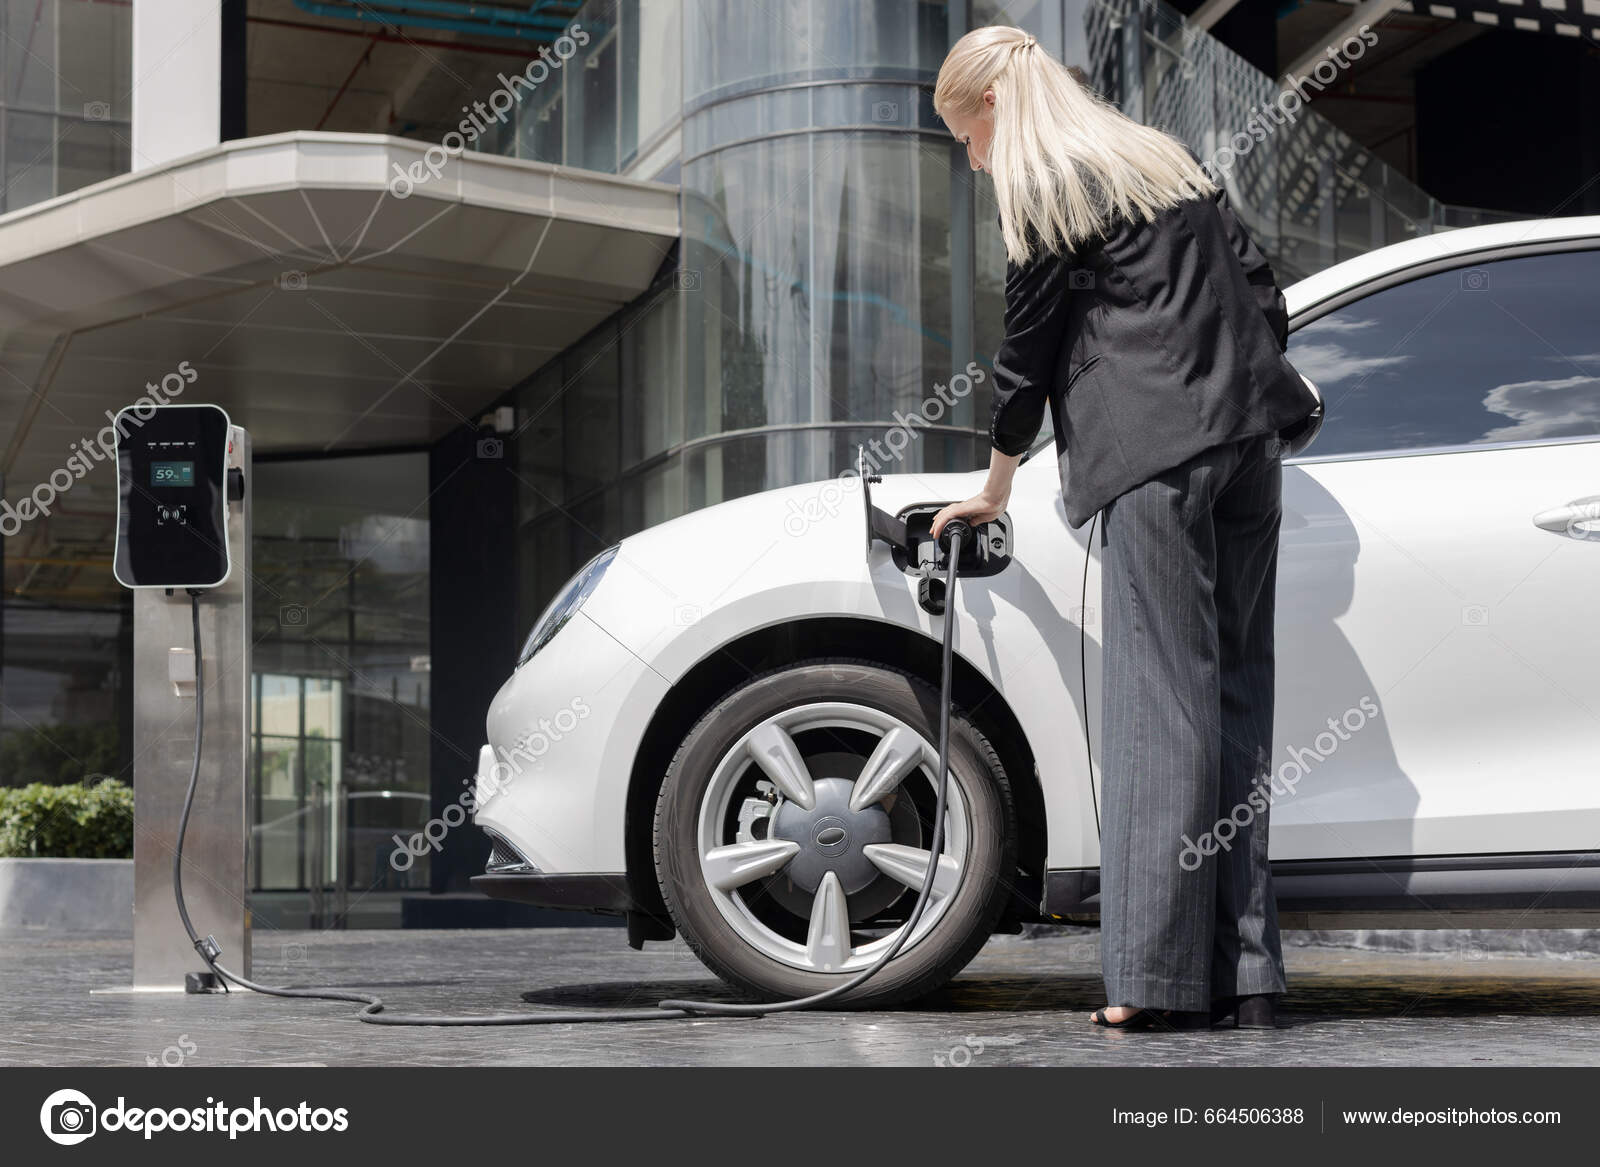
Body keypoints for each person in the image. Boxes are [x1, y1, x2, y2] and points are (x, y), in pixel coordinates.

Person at [928, 26, 1320, 1031]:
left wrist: (998, 482)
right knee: (1235, 702)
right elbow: (1264, 294)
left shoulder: (1044, 182)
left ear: (989, 110)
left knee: (1161, 715)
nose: (971, 161)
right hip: (1248, 444)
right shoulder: (1163, 160)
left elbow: (1026, 352)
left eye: (962, 138)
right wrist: (1225, 383)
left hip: (1154, 457)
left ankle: (1153, 981)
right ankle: (1247, 970)